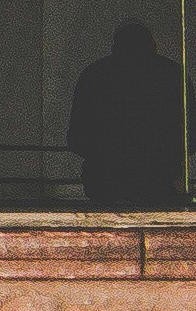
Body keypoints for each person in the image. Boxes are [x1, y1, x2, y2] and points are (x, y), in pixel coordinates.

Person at [68, 19, 189, 210]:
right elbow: (190, 135)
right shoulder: (173, 75)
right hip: (158, 179)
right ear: (151, 45)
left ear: (115, 46)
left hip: (106, 180)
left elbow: (76, 137)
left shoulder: (94, 75)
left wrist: (106, 158)